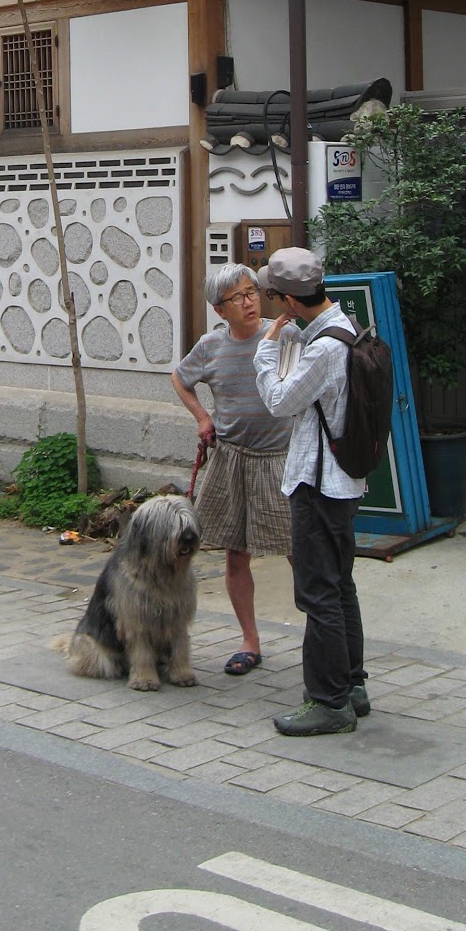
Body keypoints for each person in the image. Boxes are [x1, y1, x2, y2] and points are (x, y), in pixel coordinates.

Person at [253, 246, 369, 737]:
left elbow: (281, 400)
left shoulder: (325, 349)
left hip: (317, 484)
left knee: (317, 593)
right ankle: (351, 686)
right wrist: (292, 335)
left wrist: (266, 352)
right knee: (339, 586)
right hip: (343, 482)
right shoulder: (346, 328)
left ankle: (329, 702)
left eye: (274, 296)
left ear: (288, 300)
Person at [171, 263, 292, 677]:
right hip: (232, 458)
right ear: (220, 310)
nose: (248, 302)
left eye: (252, 292)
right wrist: (202, 418)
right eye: (237, 298)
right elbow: (180, 379)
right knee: (236, 555)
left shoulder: (283, 335)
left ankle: (320, 637)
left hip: (280, 459)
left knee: (299, 551)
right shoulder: (211, 347)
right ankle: (249, 641)